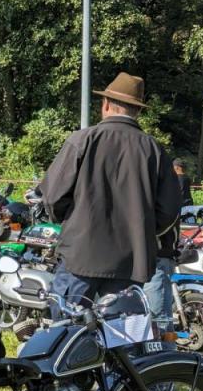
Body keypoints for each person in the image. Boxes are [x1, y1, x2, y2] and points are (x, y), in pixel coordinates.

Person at [41, 72, 181, 309]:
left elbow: (53, 197)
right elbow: (169, 210)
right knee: (121, 338)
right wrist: (141, 231)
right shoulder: (153, 149)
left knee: (69, 332)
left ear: (105, 104)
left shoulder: (83, 140)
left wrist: (73, 222)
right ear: (137, 111)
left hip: (80, 256)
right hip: (130, 262)